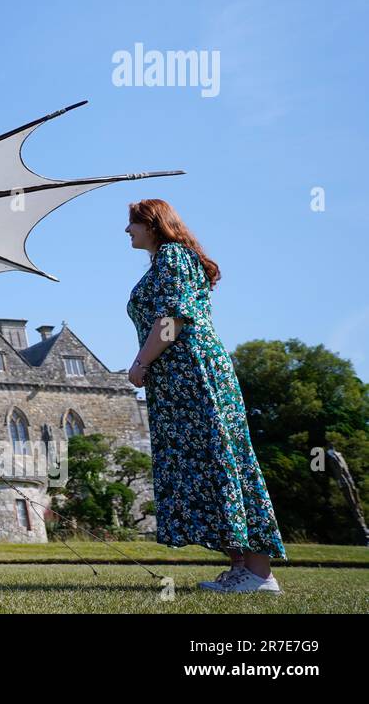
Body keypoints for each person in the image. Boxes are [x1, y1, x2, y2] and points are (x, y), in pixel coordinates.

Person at [124, 198, 286, 594]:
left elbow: (173, 318)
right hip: (179, 378)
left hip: (193, 372)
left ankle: (260, 573)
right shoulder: (165, 260)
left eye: (133, 224)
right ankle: (242, 569)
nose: (127, 231)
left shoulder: (173, 255)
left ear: (153, 224)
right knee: (207, 466)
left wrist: (141, 363)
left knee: (222, 461)